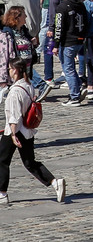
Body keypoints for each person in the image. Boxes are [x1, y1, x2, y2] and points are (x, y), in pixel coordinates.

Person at [1, 58, 65, 205]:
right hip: (27, 131)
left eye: (10, 68)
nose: (9, 71)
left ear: (15, 70)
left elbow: (14, 116)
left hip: (15, 131)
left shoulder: (15, 91)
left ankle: (2, 193)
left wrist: (12, 134)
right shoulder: (29, 86)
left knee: (2, 161)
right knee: (30, 162)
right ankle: (54, 182)